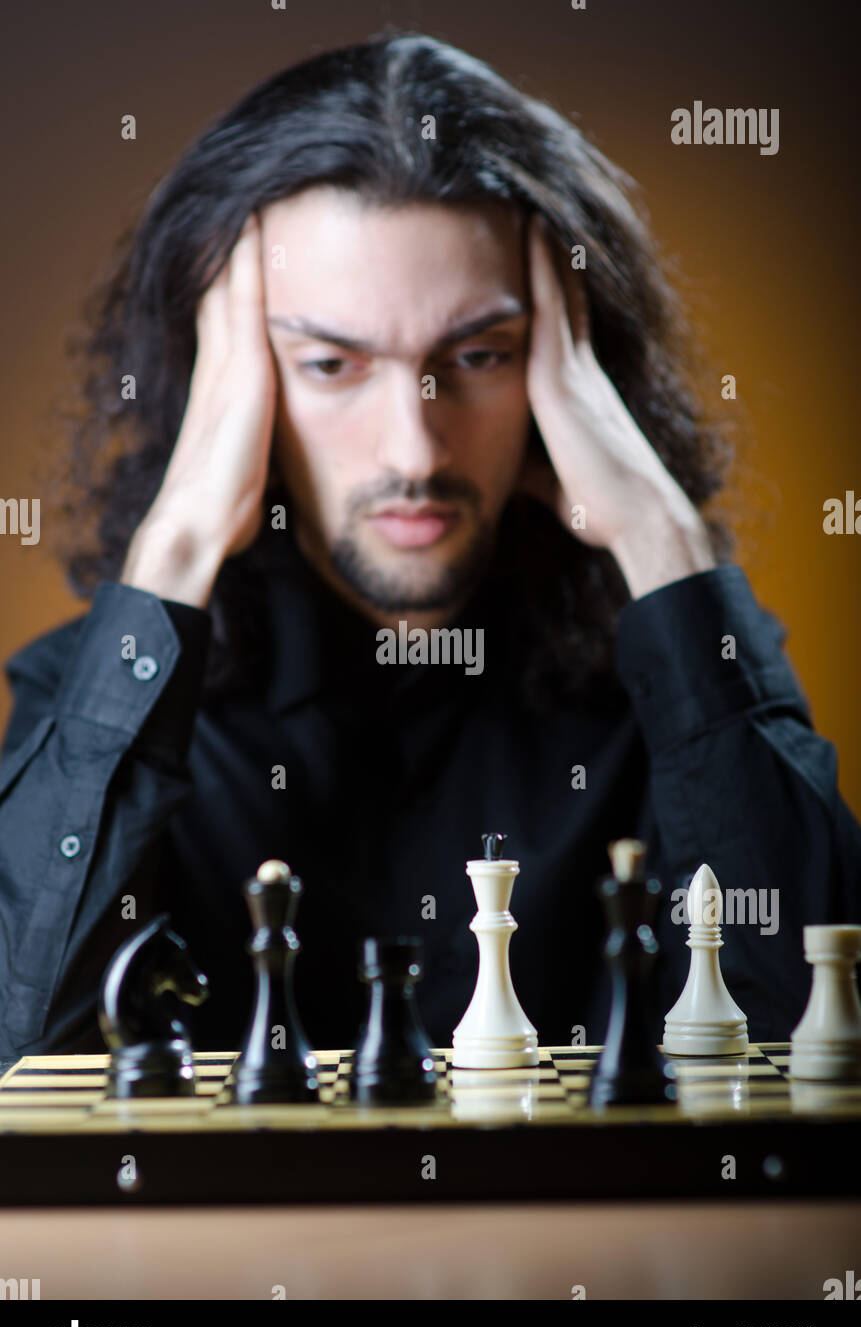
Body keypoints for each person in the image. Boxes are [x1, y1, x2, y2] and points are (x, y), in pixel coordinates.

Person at [1, 33, 858, 1061]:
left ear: (570, 367)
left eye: (480, 355)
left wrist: (661, 535)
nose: (414, 445)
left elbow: (821, 1045)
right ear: (225, 379)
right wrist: (175, 547)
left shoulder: (676, 692)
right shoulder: (95, 699)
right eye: (330, 362)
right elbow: (16, 1058)